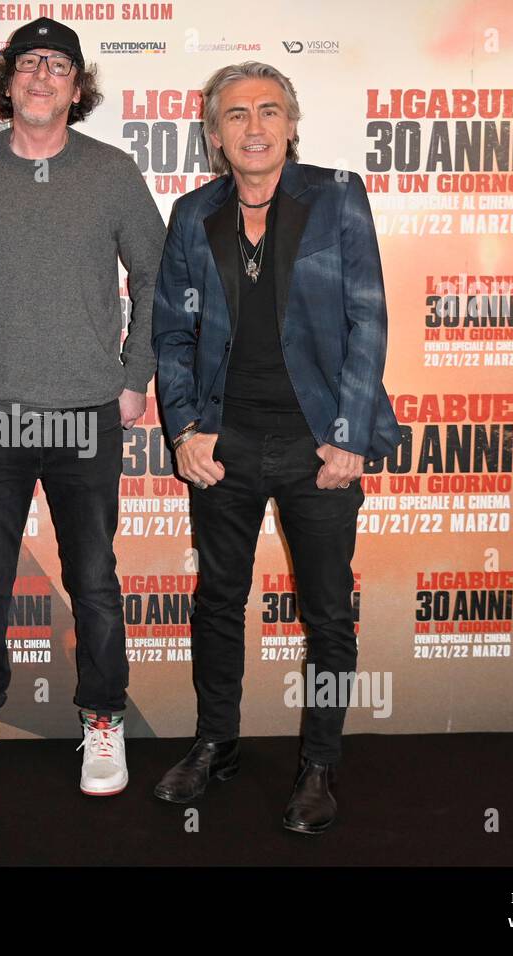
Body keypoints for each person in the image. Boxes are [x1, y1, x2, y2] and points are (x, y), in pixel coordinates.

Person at [150, 62, 402, 833]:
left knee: (328, 616)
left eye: (268, 112)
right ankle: (215, 742)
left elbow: (368, 320)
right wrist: (186, 430)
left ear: (291, 124)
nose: (253, 127)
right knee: (219, 600)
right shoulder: (193, 214)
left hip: (317, 447)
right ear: (214, 132)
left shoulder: (336, 197)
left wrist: (350, 439)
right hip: (224, 447)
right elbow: (170, 333)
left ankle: (319, 763)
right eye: (235, 115)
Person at [0, 17, 166, 797]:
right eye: (28, 63)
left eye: (57, 65)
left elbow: (158, 280)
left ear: (76, 85)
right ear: (8, 81)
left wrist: (136, 378)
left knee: (94, 577)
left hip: (88, 411)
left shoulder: (114, 172)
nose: (41, 76)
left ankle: (103, 721)